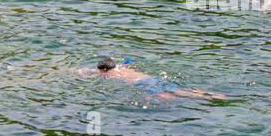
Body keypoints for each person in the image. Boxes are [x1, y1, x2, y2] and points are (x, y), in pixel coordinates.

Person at [82, 59, 221, 99]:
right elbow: (126, 61)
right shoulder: (122, 67)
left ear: (104, 69)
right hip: (152, 78)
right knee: (178, 90)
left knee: (174, 95)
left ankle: (207, 98)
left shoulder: (109, 73)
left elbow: (86, 72)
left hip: (143, 84)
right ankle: (207, 94)